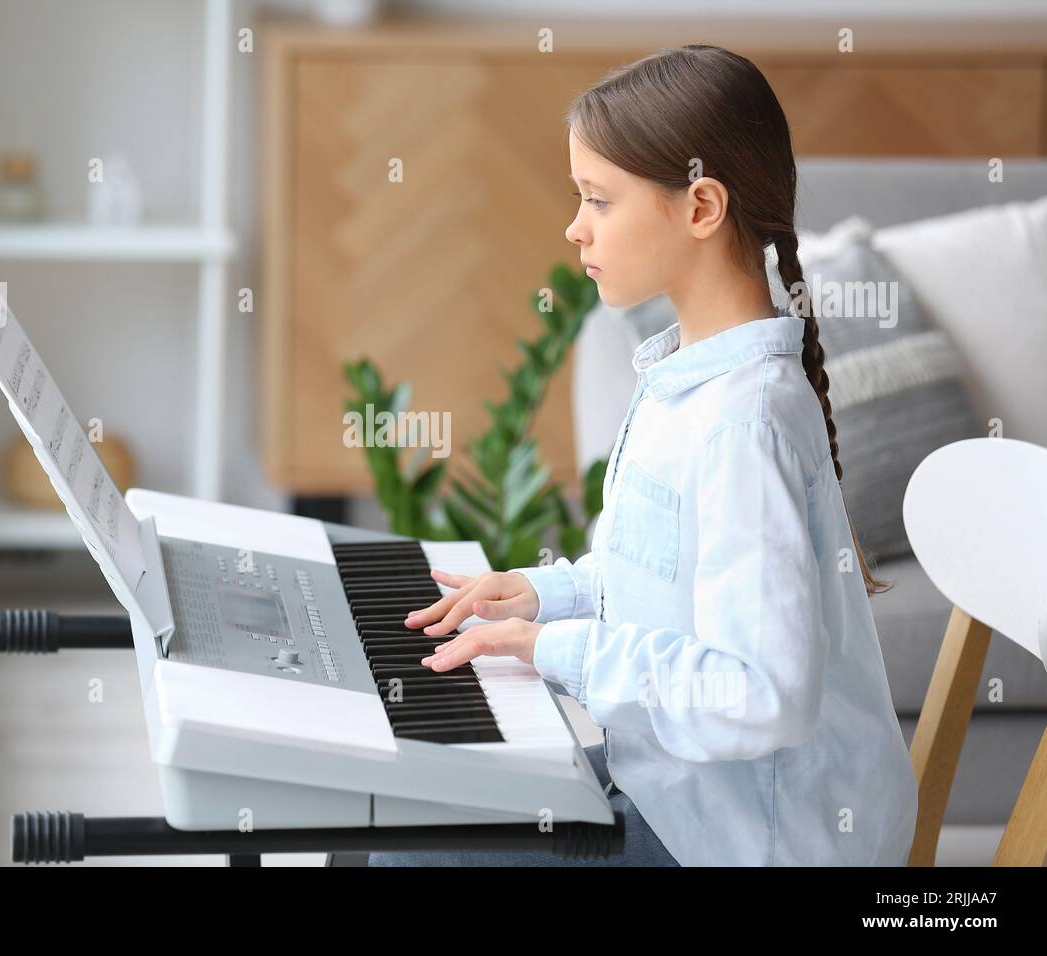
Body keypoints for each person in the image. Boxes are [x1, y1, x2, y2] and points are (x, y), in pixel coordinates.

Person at [367, 45, 918, 868]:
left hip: (749, 839)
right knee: (403, 800)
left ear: (700, 206)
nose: (574, 226)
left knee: (411, 846)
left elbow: (757, 697)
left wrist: (551, 651)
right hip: (675, 787)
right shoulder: (689, 382)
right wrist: (538, 598)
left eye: (598, 199)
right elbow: (665, 582)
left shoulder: (744, 423)